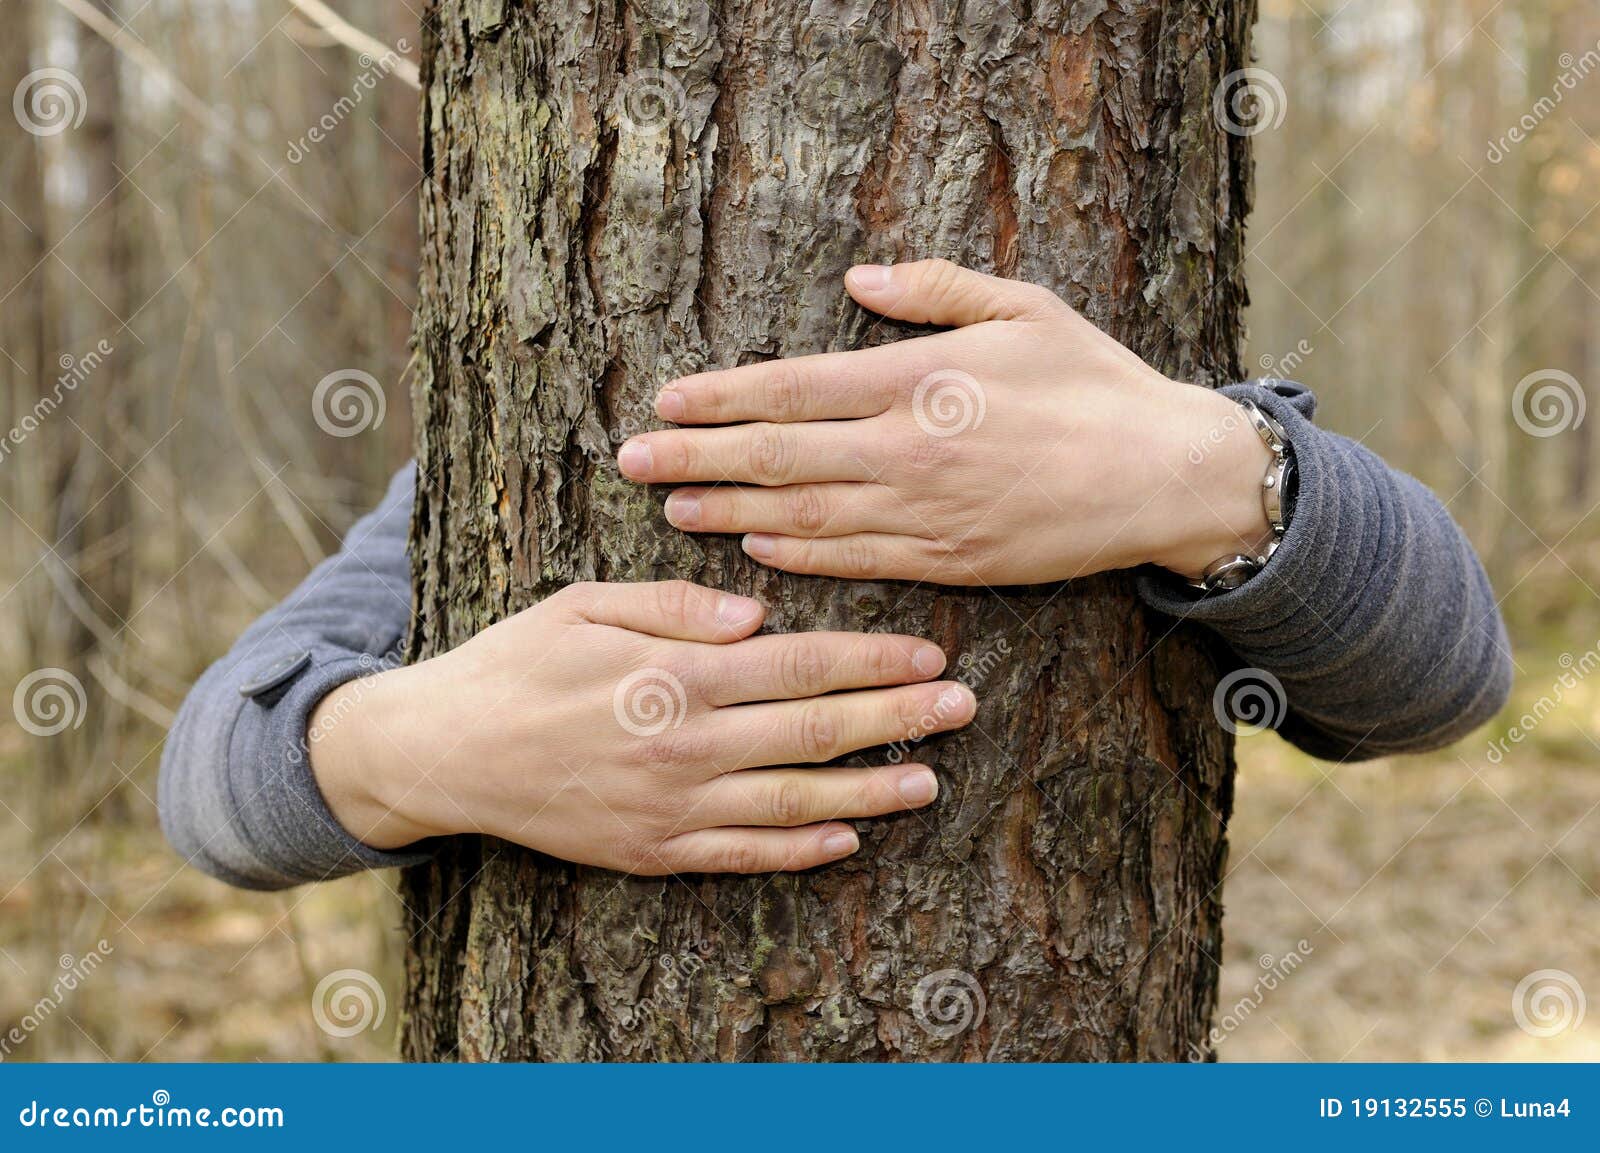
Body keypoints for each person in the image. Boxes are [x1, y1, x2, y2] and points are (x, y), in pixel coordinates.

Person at [158, 260, 1512, 890]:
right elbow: (208, 781)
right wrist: (413, 746)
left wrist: (1207, 473)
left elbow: (1447, 680)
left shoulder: (1125, 394)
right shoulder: (513, 468)